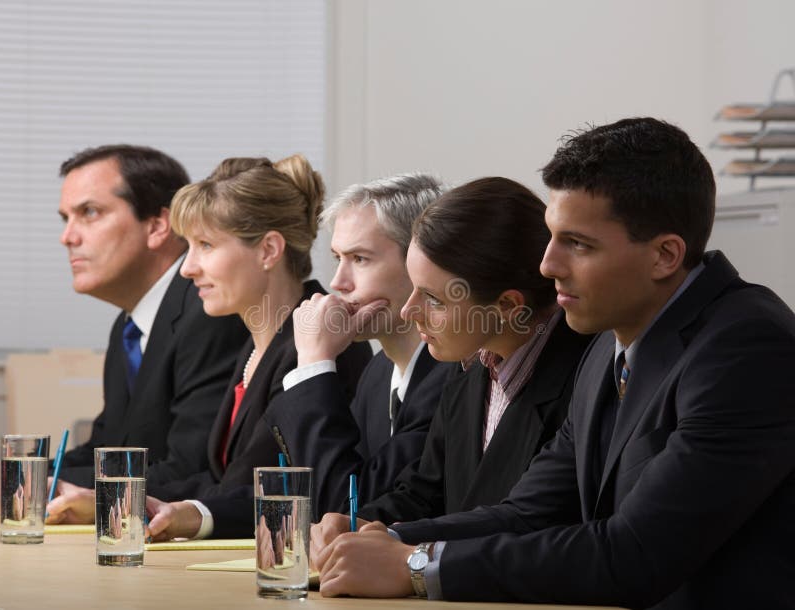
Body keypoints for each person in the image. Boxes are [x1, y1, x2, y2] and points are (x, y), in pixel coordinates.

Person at [314, 118, 795, 609]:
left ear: (665, 255)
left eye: (578, 244)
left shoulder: (746, 348)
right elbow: (529, 512)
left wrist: (417, 566)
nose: (547, 265)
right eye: (551, 237)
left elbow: (634, 555)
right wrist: (385, 538)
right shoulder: (610, 345)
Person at [47, 154, 372, 525]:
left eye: (205, 245)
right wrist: (119, 498)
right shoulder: (255, 344)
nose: (187, 268)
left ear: (268, 250)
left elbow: (298, 491)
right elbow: (222, 480)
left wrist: (134, 502)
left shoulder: (322, 343)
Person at [145, 173, 454, 540]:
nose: (339, 281)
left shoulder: (449, 377)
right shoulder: (378, 372)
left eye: (360, 258)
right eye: (338, 258)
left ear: (421, 263)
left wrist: (313, 363)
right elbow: (313, 484)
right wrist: (198, 514)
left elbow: (346, 504)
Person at [312, 177, 591, 552]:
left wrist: (390, 539)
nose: (410, 311)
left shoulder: (585, 377)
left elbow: (528, 520)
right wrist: (358, 527)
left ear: (507, 307)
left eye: (433, 298)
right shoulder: (470, 368)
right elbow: (423, 494)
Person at [53, 145, 248, 489]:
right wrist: (21, 474)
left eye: (90, 212)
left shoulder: (208, 310)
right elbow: (108, 449)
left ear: (158, 225)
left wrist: (32, 485)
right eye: (66, 218)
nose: (67, 236)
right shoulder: (128, 327)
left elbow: (189, 469)